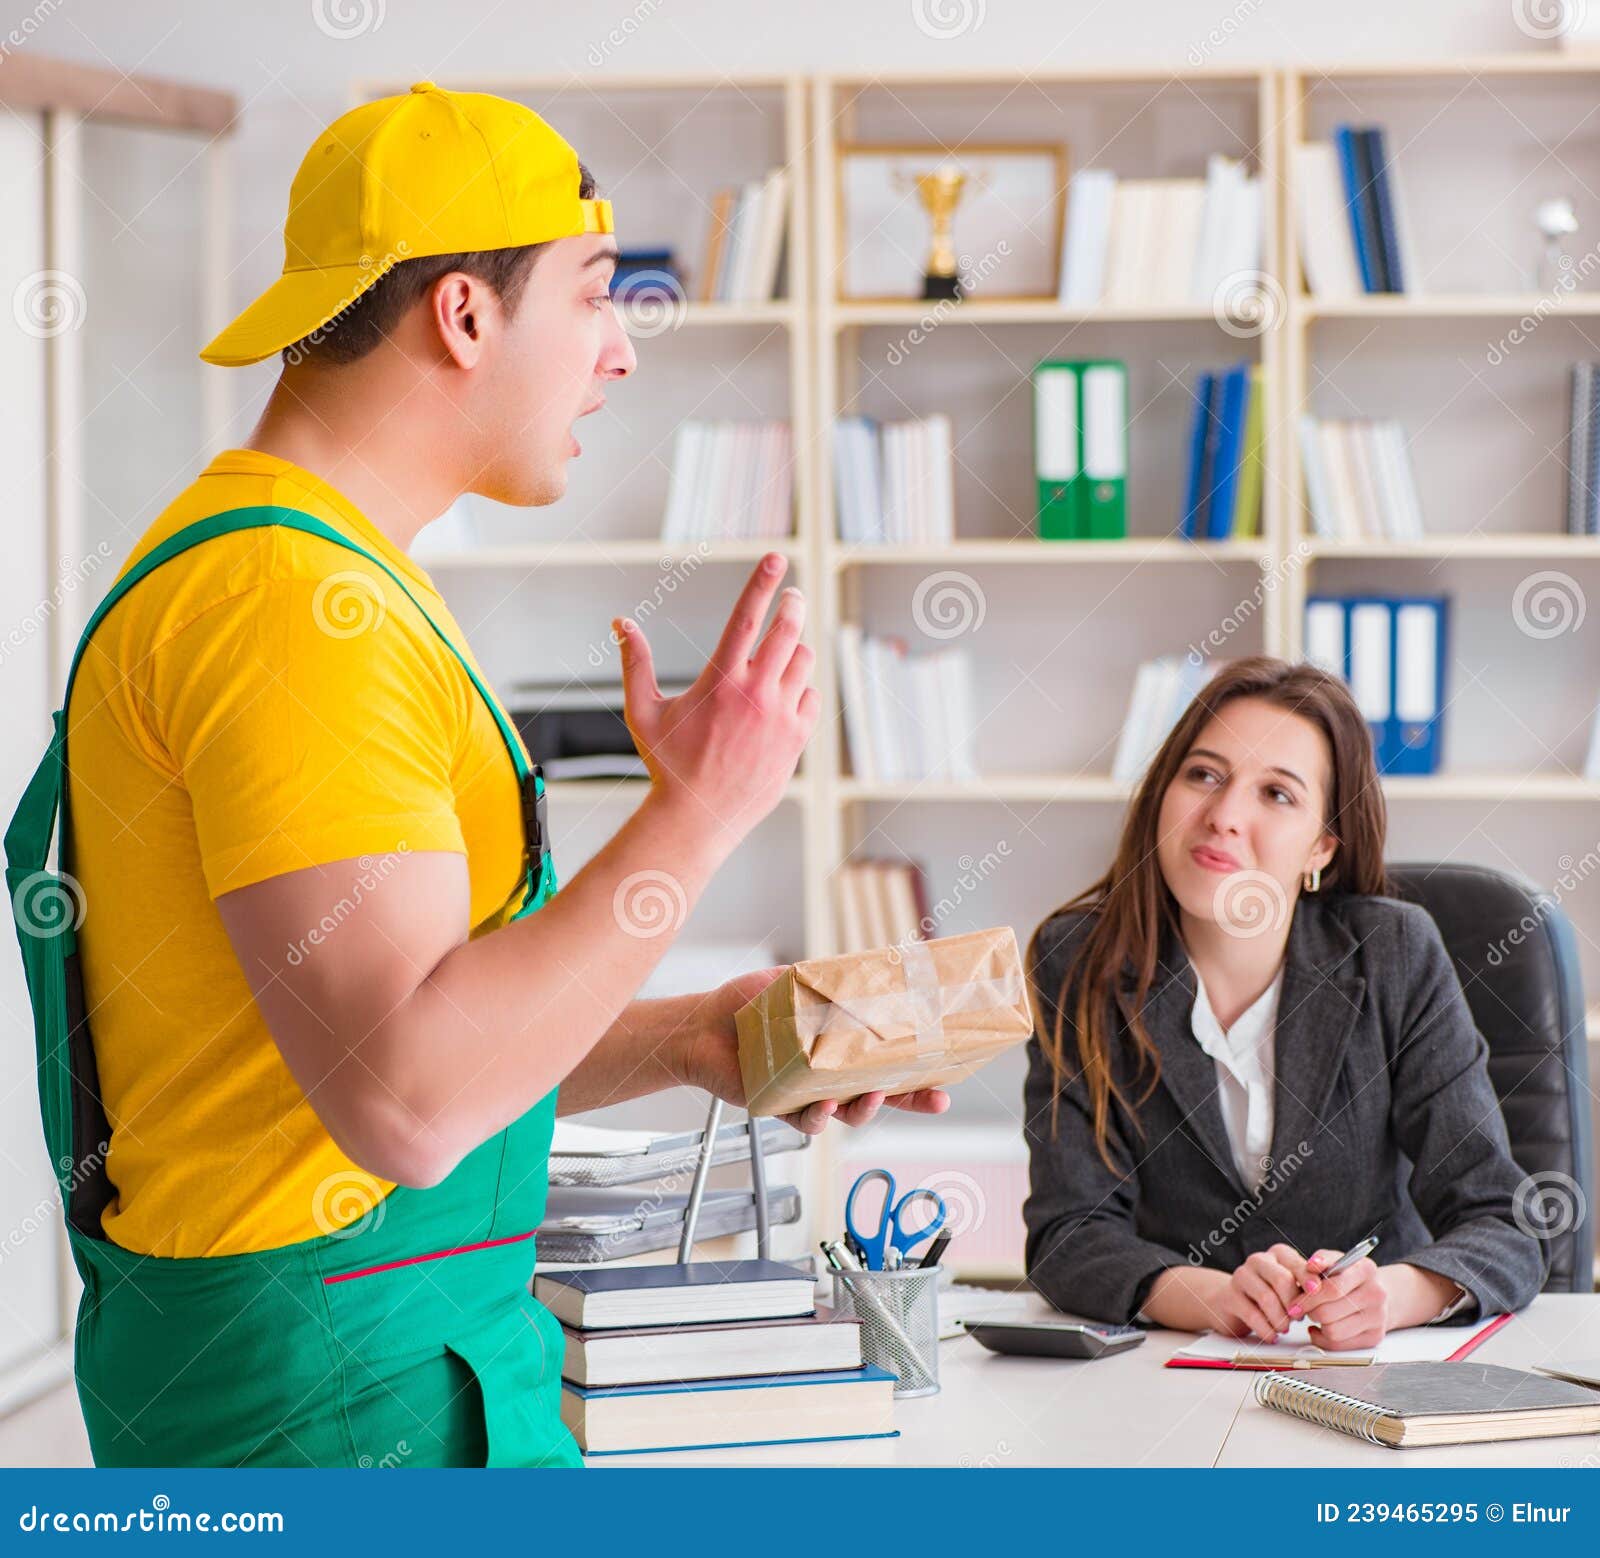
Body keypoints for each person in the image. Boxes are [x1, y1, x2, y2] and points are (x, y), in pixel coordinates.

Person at [38, 83, 948, 1468]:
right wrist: (698, 815)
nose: (620, 351)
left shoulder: (315, 571)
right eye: (594, 293)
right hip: (339, 1405)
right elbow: (402, 1101)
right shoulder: (293, 606)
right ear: (463, 315)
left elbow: (417, 1045)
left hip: (394, 1358)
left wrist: (687, 1037)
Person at [1021, 655, 1545, 1349]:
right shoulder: (1079, 960)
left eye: (1276, 794)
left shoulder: (1394, 952)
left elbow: (1506, 1222)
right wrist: (1212, 1297)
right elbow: (1068, 1235)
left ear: (1322, 847)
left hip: (1371, 1373)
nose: (1224, 817)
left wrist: (1391, 1296)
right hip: (1165, 1375)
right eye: (1203, 775)